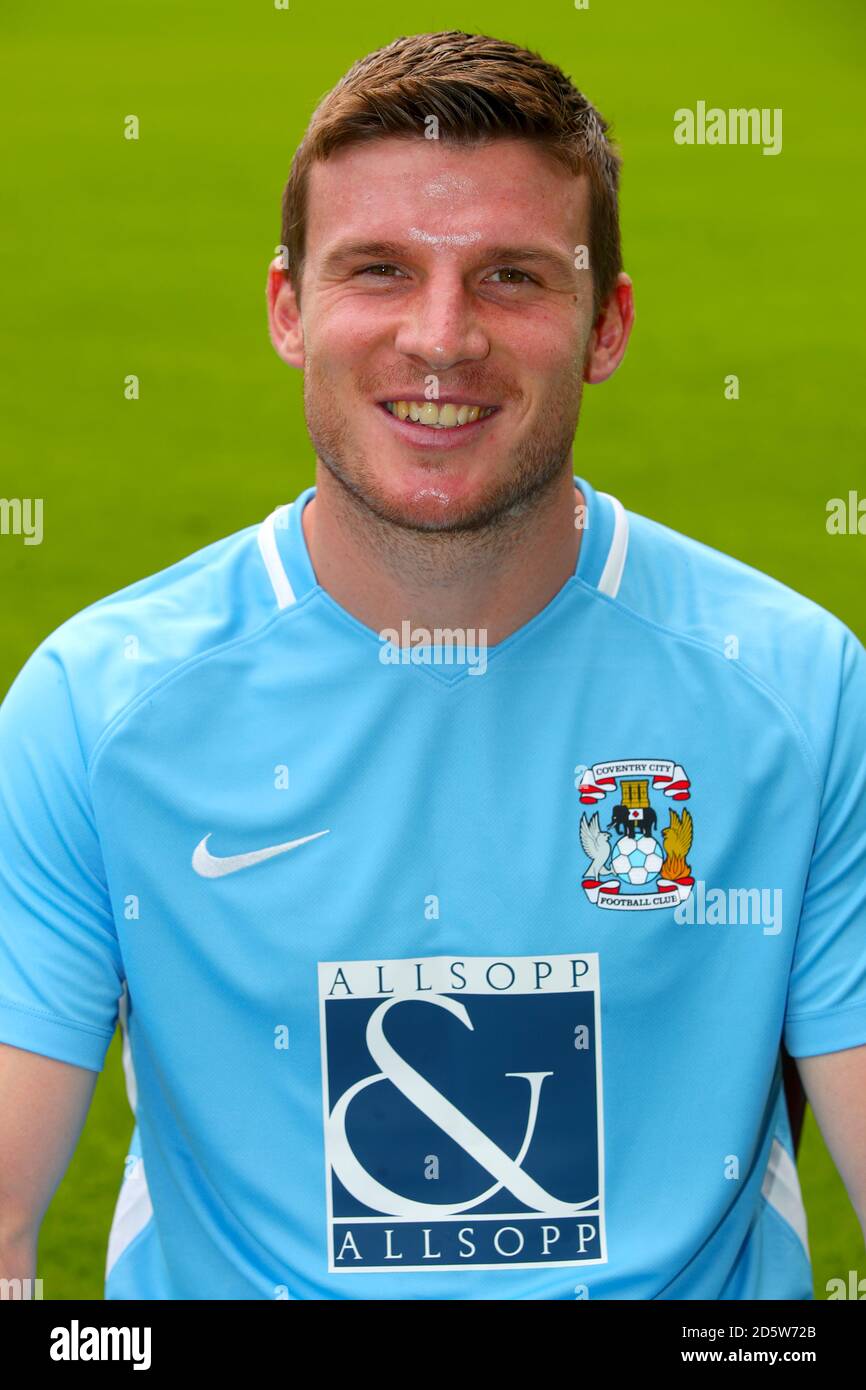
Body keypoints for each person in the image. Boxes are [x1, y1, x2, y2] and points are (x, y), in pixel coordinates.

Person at [0, 30, 864, 1302]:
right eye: (380, 272)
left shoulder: (796, 692)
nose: (440, 338)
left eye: (510, 276)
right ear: (289, 309)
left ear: (605, 324)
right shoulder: (100, 707)